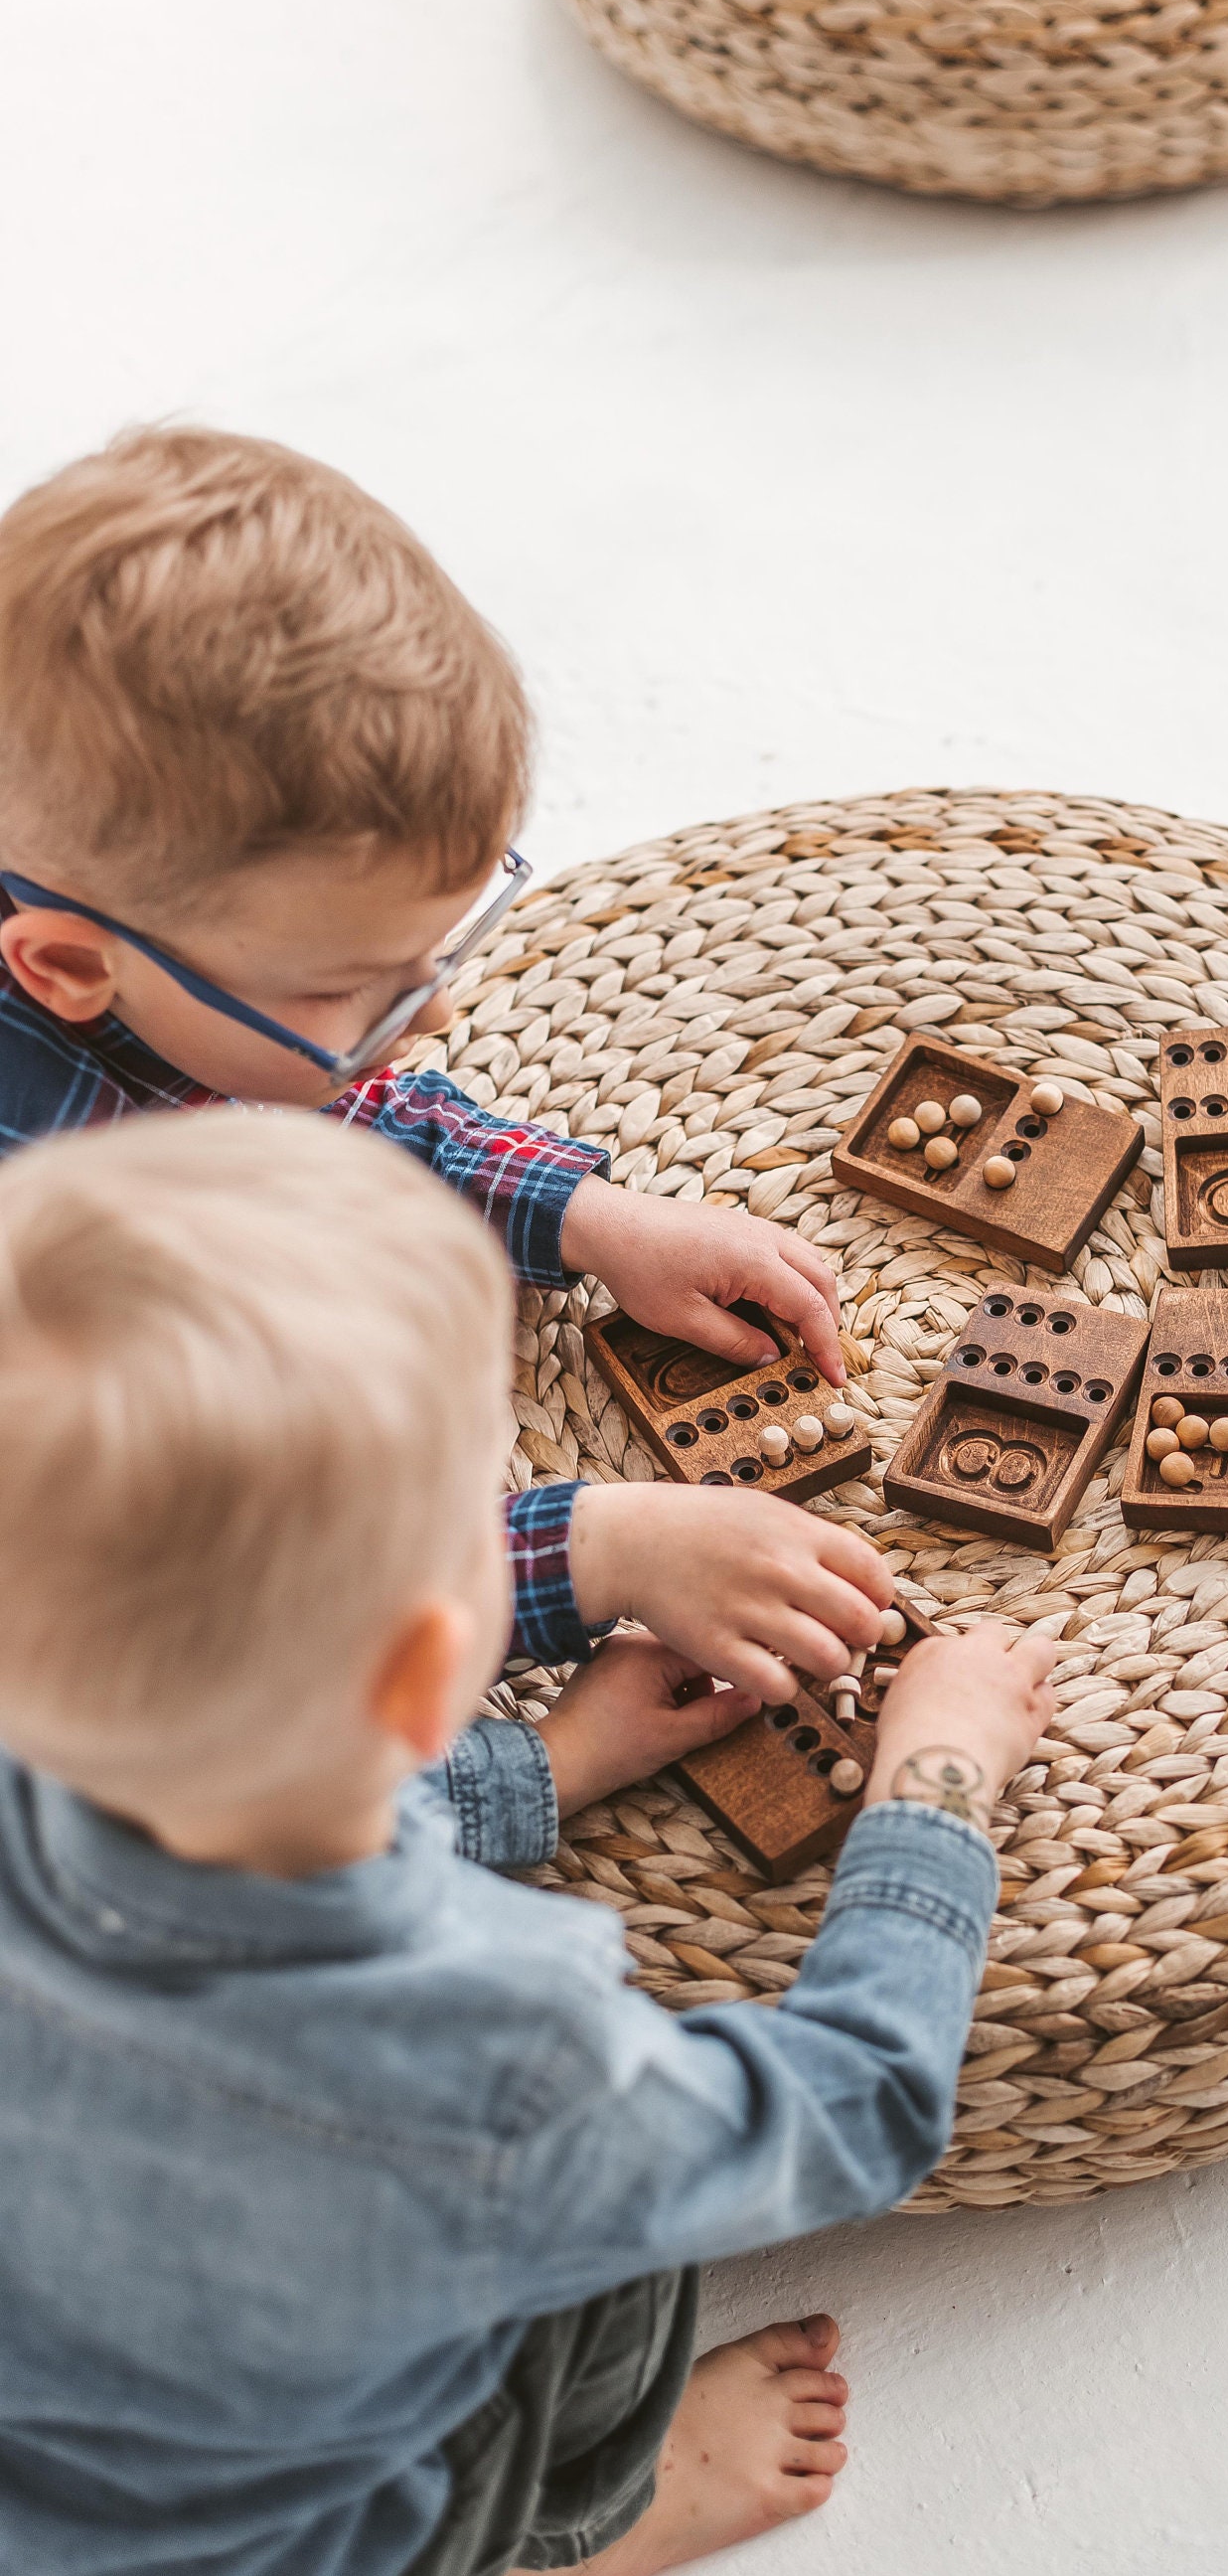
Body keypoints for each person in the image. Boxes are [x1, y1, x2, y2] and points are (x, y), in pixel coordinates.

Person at [0, 1109, 1055, 2576]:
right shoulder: (509, 2050)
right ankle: (564, 2539)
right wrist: (938, 1782)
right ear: (436, 1670)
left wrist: (551, 1767)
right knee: (605, 2245)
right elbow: (857, 2105)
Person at [0, 421, 876, 1707]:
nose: (431, 1017)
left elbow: (272, 1110)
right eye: (345, 992)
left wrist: (582, 1212)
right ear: (68, 970)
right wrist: (579, 1561)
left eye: (446, 945)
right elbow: (158, 1622)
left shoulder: (129, 928)